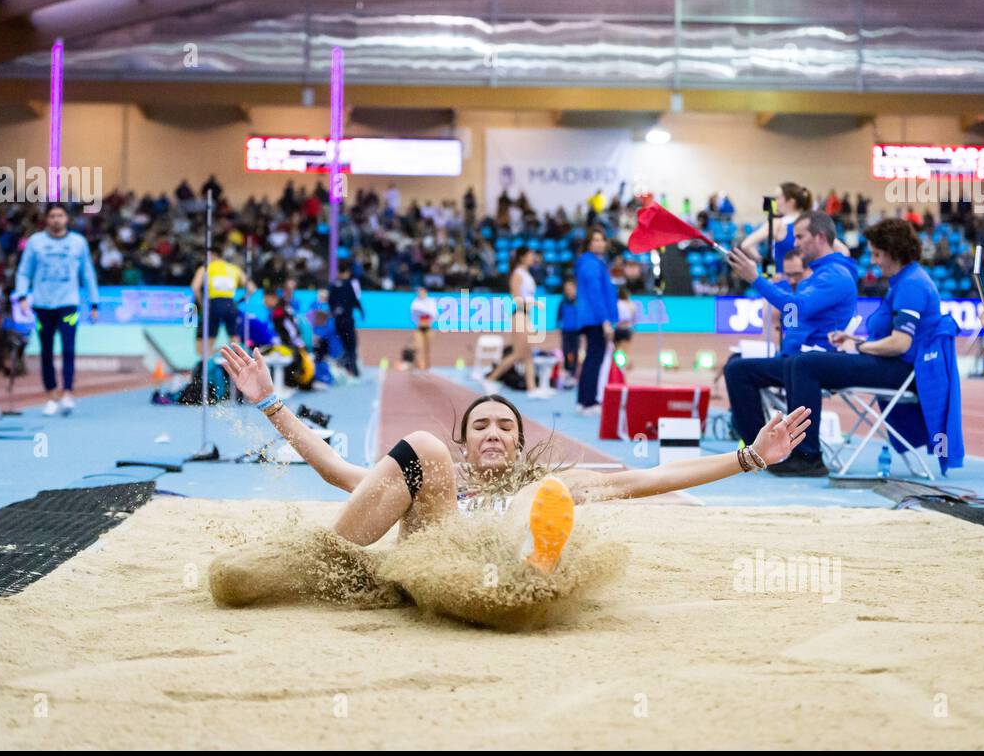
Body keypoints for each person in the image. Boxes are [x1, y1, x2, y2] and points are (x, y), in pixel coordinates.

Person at [215, 340, 811, 579]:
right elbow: (336, 471)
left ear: (519, 442)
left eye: (506, 425)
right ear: (468, 442)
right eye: (481, 426)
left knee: (543, 493)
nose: (495, 433)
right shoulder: (433, 476)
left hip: (495, 572)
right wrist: (270, 403)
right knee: (420, 447)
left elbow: (649, 477)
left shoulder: (542, 482)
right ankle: (322, 564)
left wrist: (750, 457)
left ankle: (535, 562)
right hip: (430, 564)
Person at [782, 218, 947, 477]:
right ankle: (798, 451)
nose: (873, 260)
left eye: (877, 254)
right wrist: (857, 342)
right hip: (892, 364)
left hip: (901, 370)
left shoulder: (912, 285)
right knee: (795, 362)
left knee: (805, 363)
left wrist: (861, 348)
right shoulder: (904, 282)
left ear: (894, 252)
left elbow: (900, 343)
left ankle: (807, 456)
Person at [723, 211, 859, 463]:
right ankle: (759, 449)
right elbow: (795, 317)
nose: (794, 243)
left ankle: (765, 451)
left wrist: (756, 279)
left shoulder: (835, 275)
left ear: (819, 237)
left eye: (799, 236)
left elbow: (797, 308)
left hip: (813, 361)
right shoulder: (821, 274)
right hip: (797, 357)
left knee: (739, 371)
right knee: (736, 365)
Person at [15, 203, 100, 416]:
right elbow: (24, 271)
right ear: (46, 219)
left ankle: (68, 392)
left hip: (68, 303)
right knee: (46, 351)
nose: (56, 219)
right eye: (52, 216)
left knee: (69, 349)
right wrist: (22, 296)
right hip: (42, 305)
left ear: (67, 219)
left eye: (60, 215)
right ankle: (52, 394)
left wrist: (94, 303)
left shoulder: (78, 243)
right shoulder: (35, 242)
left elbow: (87, 273)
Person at [485, 246, 551, 399]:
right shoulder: (517, 274)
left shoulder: (526, 274)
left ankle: (532, 389)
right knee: (518, 353)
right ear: (522, 257)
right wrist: (534, 303)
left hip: (526, 315)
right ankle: (490, 379)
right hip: (519, 315)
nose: (532, 258)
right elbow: (516, 297)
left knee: (527, 354)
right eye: (530, 255)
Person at [573, 228, 618, 414]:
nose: (599, 243)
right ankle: (589, 402)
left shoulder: (593, 263)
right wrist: (605, 320)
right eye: (595, 240)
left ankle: (582, 401)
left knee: (591, 358)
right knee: (594, 360)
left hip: (591, 317)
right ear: (589, 243)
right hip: (595, 318)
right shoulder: (591, 264)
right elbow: (596, 294)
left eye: (602, 240)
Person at [190, 247, 251, 357]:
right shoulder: (234, 268)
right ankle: (239, 367)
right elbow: (251, 289)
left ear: (212, 255)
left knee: (207, 344)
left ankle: (208, 368)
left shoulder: (206, 268)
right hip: (231, 304)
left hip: (214, 304)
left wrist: (202, 304)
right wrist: (239, 301)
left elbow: (195, 287)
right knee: (235, 341)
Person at [328, 264, 364, 376]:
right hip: (348, 320)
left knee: (343, 344)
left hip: (338, 321)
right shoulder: (349, 284)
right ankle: (353, 370)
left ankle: (346, 367)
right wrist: (361, 311)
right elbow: (354, 299)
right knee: (351, 345)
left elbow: (330, 300)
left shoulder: (333, 285)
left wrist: (335, 311)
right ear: (347, 273)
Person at [557, 277, 580, 389]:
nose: (568, 290)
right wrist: (559, 328)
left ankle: (573, 374)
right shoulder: (562, 302)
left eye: (570, 287)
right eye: (566, 288)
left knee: (575, 352)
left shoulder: (579, 301)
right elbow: (559, 317)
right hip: (566, 331)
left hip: (576, 332)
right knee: (566, 351)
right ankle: (567, 372)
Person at [410, 286, 438, 371]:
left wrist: (425, 314)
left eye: (422, 292)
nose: (420, 294)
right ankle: (418, 364)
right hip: (419, 327)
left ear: (425, 292)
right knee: (417, 346)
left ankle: (427, 365)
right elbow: (413, 314)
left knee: (428, 347)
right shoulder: (415, 302)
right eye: (419, 292)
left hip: (428, 327)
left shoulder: (431, 301)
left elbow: (434, 314)